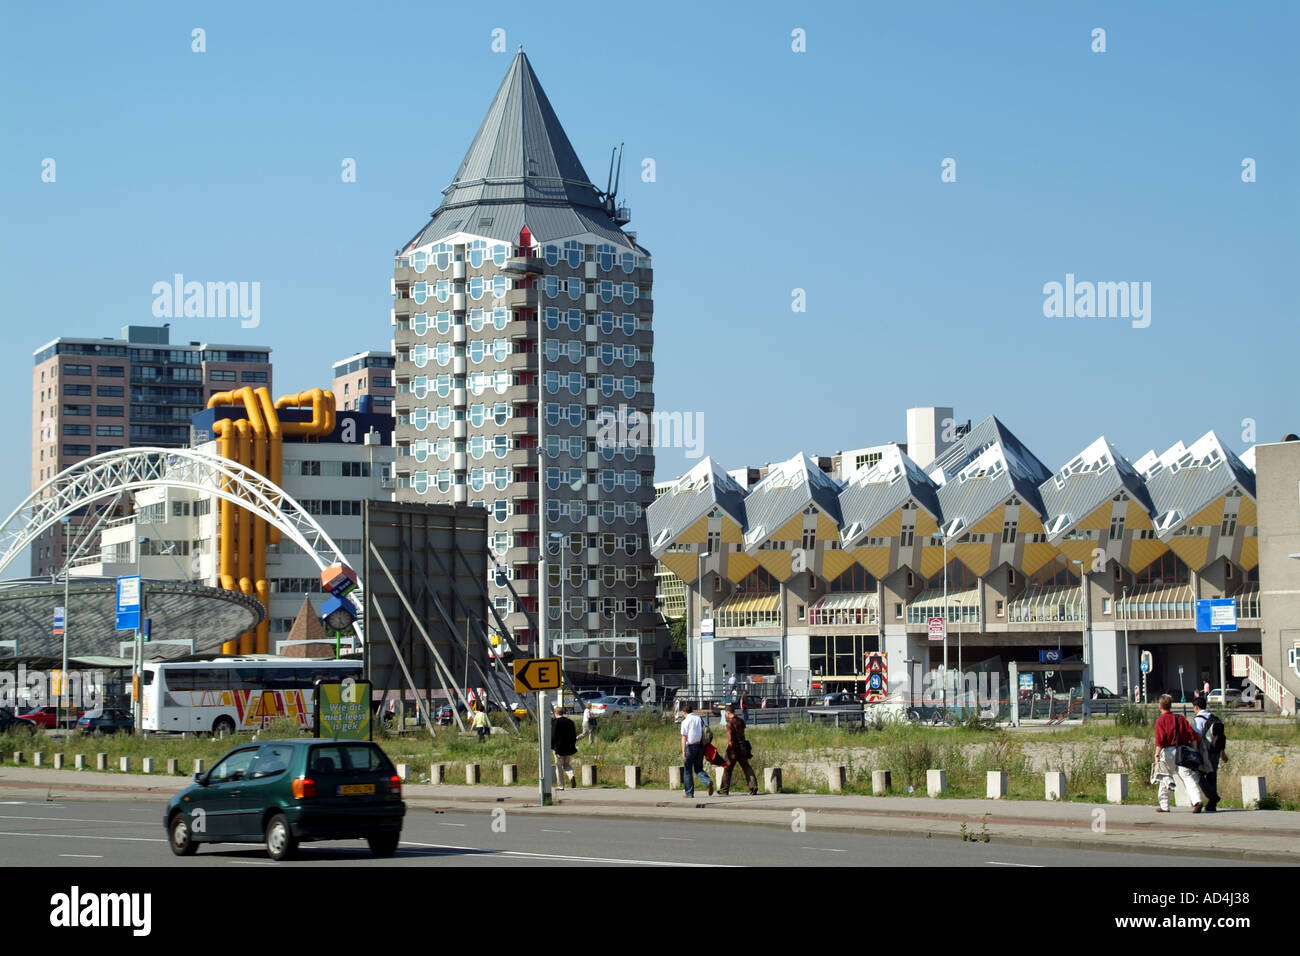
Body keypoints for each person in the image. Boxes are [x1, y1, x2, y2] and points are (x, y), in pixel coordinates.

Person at [1153, 694, 1205, 812]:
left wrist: (1156, 756)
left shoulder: (1160, 721)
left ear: (1160, 706)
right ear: (1170, 705)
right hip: (1182, 751)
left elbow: (1160, 741)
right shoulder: (1180, 718)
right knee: (1187, 777)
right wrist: (1194, 750)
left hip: (1167, 752)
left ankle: (1164, 806)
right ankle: (1197, 800)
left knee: (1165, 777)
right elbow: (1192, 735)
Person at [1191, 694, 1228, 812]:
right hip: (1216, 750)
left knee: (1198, 774)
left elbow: (1198, 737)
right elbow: (1218, 738)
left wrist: (1195, 752)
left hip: (1204, 751)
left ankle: (1213, 796)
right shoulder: (1214, 718)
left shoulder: (1198, 719)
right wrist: (1222, 752)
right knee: (1212, 775)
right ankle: (1212, 804)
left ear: (1196, 707)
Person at [718, 703, 758, 796]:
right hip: (742, 747)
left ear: (727, 713)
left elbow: (730, 739)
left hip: (733, 749)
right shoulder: (741, 721)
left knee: (727, 769)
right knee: (747, 767)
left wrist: (730, 751)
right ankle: (753, 787)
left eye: (725, 713)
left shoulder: (729, 724)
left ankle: (724, 790)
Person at [679, 703, 713, 798]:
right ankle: (707, 781)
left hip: (690, 747)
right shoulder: (700, 718)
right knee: (698, 768)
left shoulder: (685, 721)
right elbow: (707, 729)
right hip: (700, 746)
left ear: (684, 712)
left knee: (687, 770)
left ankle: (689, 793)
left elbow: (684, 737)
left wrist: (683, 751)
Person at [550, 705, 577, 790]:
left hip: (558, 748)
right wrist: (572, 745)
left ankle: (561, 785)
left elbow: (553, 735)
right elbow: (574, 735)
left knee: (559, 767)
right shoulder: (570, 722)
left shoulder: (555, 722)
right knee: (566, 764)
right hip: (568, 748)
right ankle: (571, 776)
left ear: (555, 713)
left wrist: (552, 746)